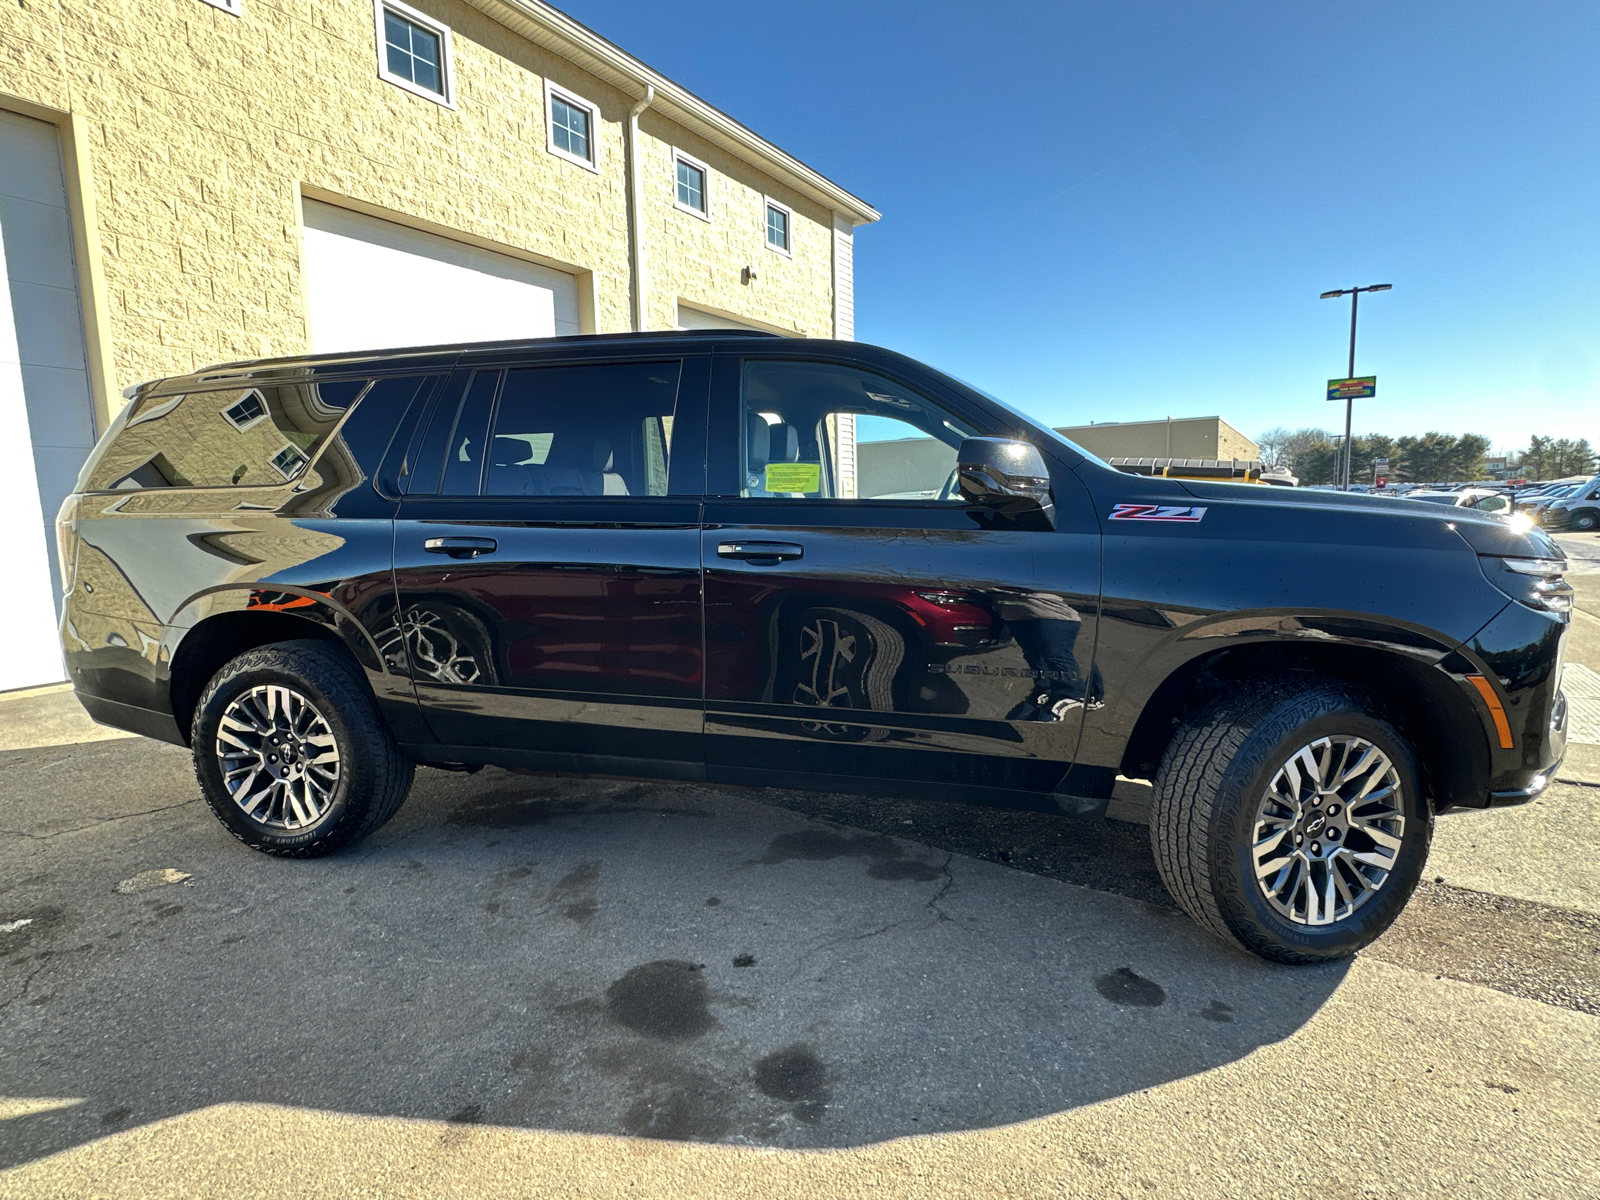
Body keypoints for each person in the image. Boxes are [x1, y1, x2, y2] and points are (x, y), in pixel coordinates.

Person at [993, 591, 1105, 721]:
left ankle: (1074, 694)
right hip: (1012, 610)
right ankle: (1045, 692)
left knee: (1056, 657)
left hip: (1049, 609)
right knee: (1034, 656)